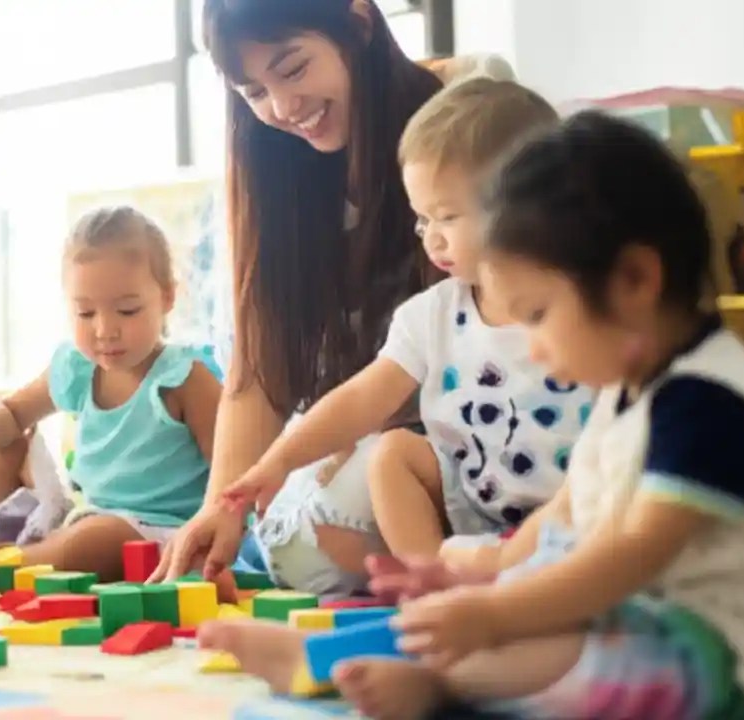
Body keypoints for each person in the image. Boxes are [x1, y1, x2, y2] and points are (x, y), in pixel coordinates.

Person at [204, 112, 744, 719]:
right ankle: (329, 661)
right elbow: (569, 513)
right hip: (628, 610)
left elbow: (630, 556)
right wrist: (485, 570)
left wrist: (495, 611)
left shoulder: (709, 401)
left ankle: (438, 686)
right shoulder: (630, 388)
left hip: (715, 654)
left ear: (635, 280)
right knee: (525, 592)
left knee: (563, 634)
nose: (536, 349)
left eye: (540, 316)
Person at [151, 0, 514, 595]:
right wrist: (224, 505)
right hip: (369, 428)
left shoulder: (469, 108)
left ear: (359, 22)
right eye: (254, 92)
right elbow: (260, 369)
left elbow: (515, 304)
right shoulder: (274, 172)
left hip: (479, 415)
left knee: (363, 503)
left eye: (293, 69)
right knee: (304, 546)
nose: (283, 109)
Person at [222, 78, 590, 562]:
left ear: (528, 206)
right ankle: (433, 583)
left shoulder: (587, 302)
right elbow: (360, 400)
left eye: (447, 217)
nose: (431, 240)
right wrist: (279, 462)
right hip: (478, 513)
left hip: (582, 512)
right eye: (422, 220)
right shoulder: (432, 314)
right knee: (393, 453)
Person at [0, 206, 222, 581]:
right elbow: (12, 411)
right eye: (85, 313)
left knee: (101, 537)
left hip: (160, 535)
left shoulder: (184, 378)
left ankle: (1, 568)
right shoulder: (76, 366)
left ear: (168, 298)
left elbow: (230, 468)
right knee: (1, 449)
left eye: (127, 311)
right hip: (80, 518)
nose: (105, 330)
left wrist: (218, 536)